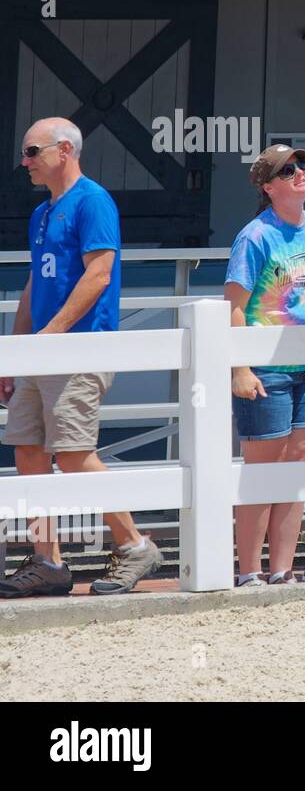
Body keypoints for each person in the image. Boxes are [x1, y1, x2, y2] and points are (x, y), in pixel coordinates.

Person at [0, 117, 162, 598]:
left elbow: (99, 274)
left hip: (78, 347)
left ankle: (134, 545)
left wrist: (50, 335)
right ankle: (47, 560)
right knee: (28, 450)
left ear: (64, 150)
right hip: (44, 350)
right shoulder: (43, 213)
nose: (25, 161)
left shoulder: (92, 201)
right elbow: (35, 284)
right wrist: (16, 351)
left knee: (72, 454)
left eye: (32, 152)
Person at [225, 145, 305, 587]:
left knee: (297, 465)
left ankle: (283, 570)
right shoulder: (255, 236)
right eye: (287, 170)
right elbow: (233, 307)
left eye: (302, 166)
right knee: (263, 469)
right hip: (267, 368)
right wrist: (240, 367)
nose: (299, 173)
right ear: (268, 187)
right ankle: (250, 570)